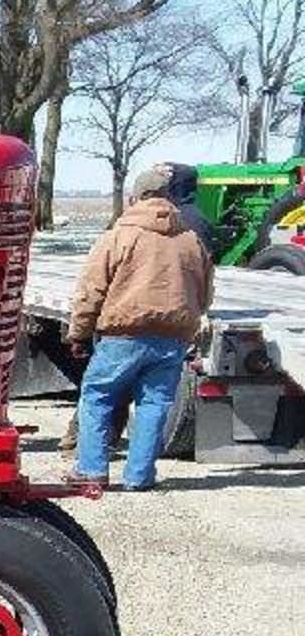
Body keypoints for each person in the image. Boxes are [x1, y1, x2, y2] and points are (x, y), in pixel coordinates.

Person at [67, 164, 214, 491]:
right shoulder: (191, 240)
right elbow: (205, 294)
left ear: (136, 197)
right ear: (170, 197)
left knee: (97, 397)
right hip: (172, 339)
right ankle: (139, 477)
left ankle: (91, 470)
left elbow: (91, 290)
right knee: (153, 405)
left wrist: (78, 333)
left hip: (122, 334)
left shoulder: (118, 236)